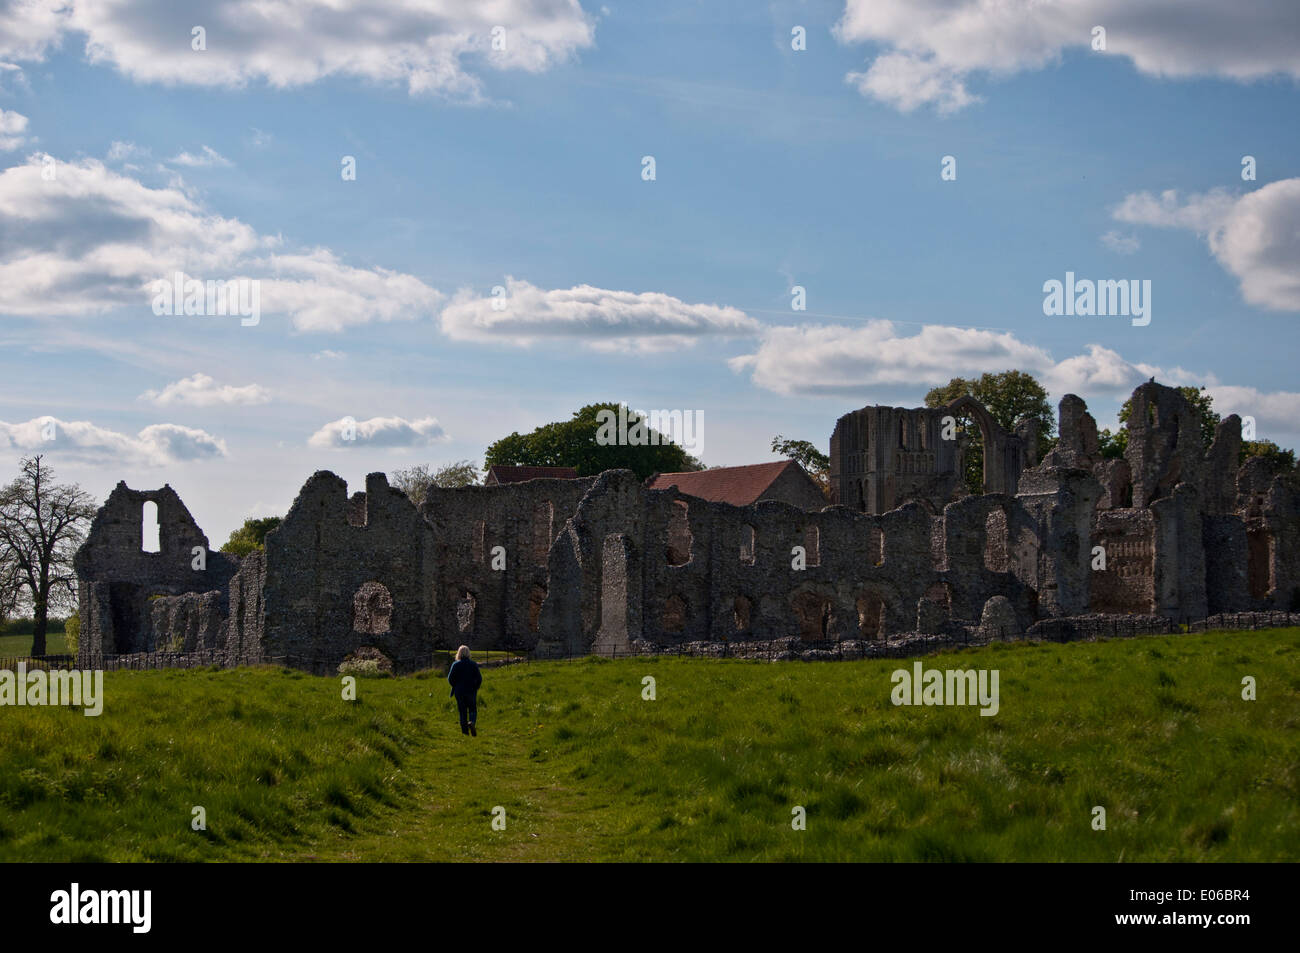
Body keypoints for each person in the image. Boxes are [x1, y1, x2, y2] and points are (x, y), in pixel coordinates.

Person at [446, 645, 483, 736]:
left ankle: (465, 732)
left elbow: (450, 678)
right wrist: (476, 687)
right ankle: (472, 722)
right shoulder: (473, 664)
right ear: (468, 653)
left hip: (459, 691)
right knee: (472, 709)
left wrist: (455, 686)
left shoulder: (455, 664)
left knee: (462, 711)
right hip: (471, 690)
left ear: (459, 653)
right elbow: (479, 678)